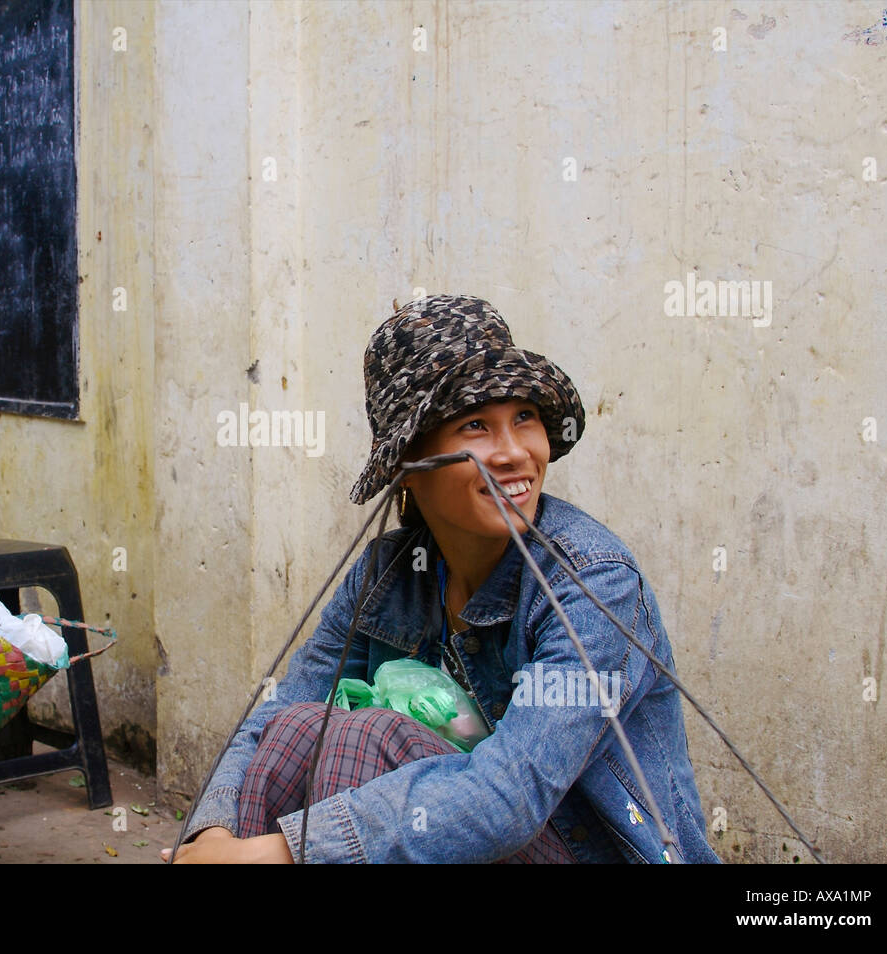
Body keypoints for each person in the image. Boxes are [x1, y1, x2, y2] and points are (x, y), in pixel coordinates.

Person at [165, 294, 719, 864]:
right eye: (476, 425)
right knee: (300, 730)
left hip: (581, 852)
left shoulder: (593, 580)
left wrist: (281, 853)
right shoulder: (391, 573)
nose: (512, 454)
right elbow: (279, 712)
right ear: (409, 467)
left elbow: (507, 800)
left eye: (523, 418)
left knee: (366, 738)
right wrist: (210, 838)